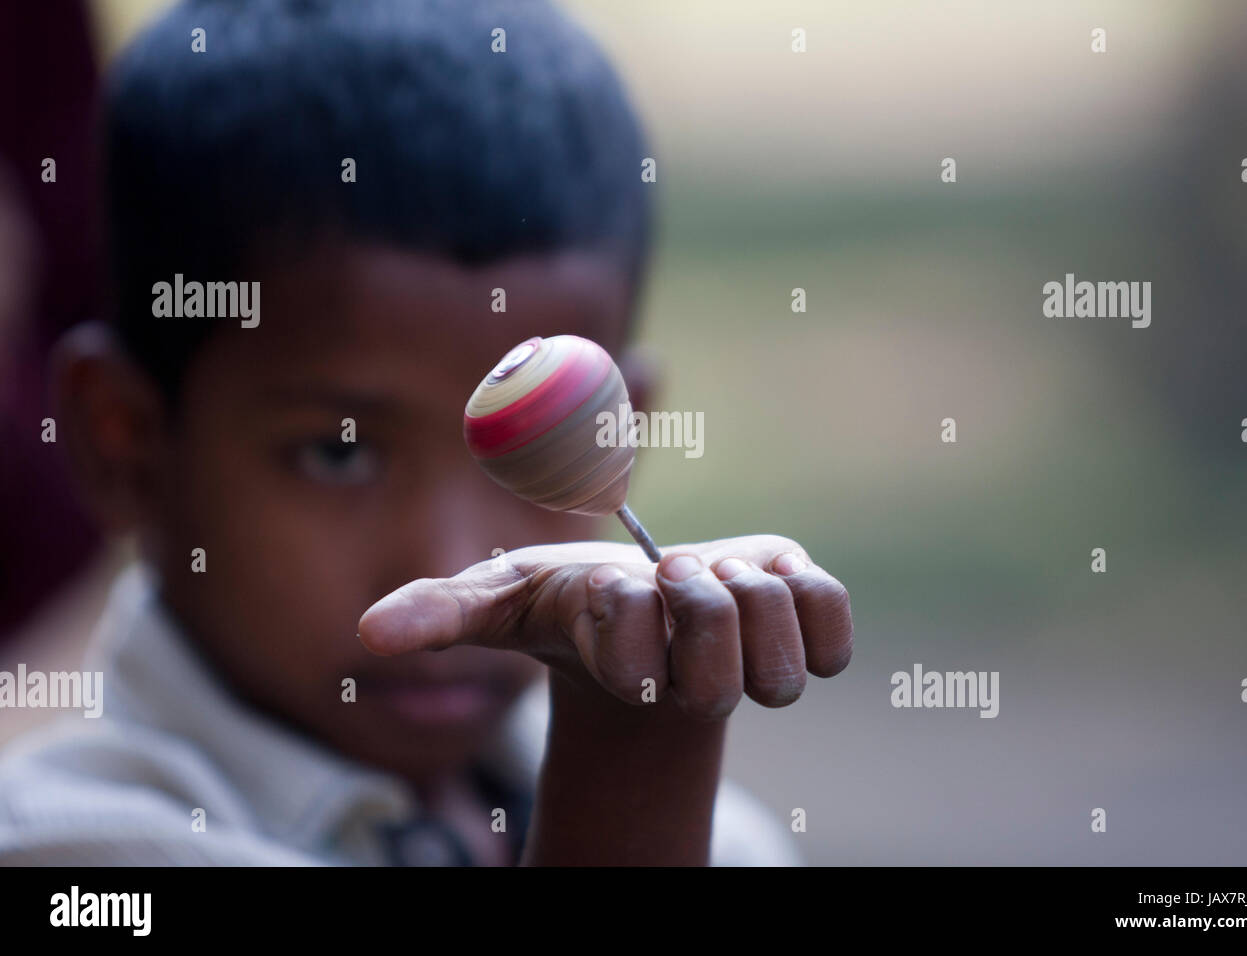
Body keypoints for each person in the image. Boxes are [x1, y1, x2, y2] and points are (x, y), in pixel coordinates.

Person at [0, 0, 852, 865]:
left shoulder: (730, 843)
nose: (449, 556)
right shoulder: (69, 852)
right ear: (124, 442)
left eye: (537, 455)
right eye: (340, 453)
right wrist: (633, 734)